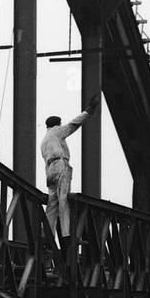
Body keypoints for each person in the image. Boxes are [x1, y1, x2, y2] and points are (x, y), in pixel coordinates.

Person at [41, 93, 101, 242]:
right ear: (57, 124)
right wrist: (89, 110)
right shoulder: (57, 131)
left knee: (52, 204)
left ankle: (47, 236)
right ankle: (67, 235)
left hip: (50, 170)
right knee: (63, 199)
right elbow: (73, 124)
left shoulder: (44, 140)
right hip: (60, 165)